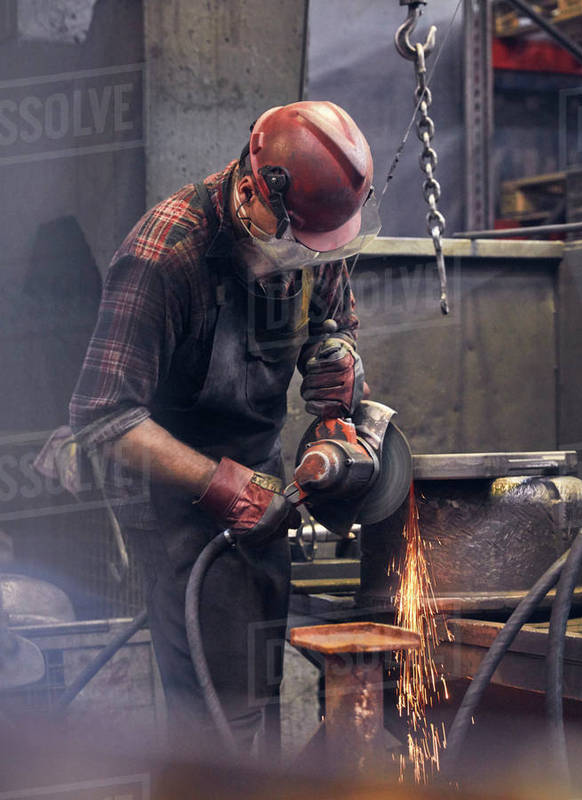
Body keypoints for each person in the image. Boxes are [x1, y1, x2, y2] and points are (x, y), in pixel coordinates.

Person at [66, 100, 378, 754]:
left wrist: (336, 381)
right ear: (251, 190)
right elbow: (103, 415)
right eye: (292, 241)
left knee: (256, 693)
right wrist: (217, 486)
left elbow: (334, 326)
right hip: (172, 486)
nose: (305, 257)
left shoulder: (315, 225)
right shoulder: (165, 254)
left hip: (257, 469)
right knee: (218, 716)